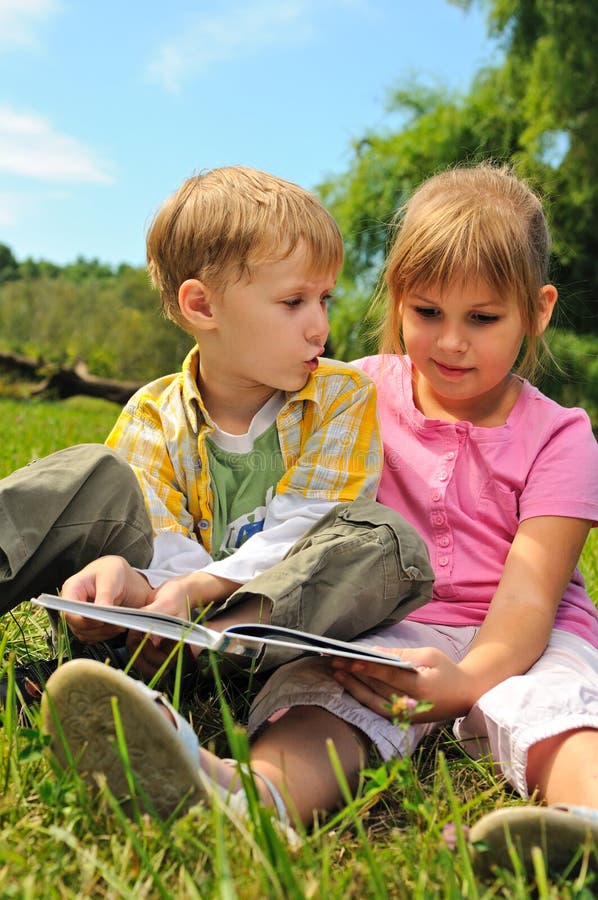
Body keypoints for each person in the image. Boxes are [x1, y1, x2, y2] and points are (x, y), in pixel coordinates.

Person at [42, 163, 598, 877]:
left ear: (539, 309)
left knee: (558, 710)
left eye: (483, 319)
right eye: (428, 313)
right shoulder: (351, 393)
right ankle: (248, 799)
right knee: (322, 701)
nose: (452, 342)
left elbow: (527, 598)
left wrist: (468, 682)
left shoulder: (561, 435)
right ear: (398, 300)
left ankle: (582, 818)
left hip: (525, 635)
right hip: (387, 625)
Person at [2, 165, 433, 704]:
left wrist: (197, 593)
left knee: (385, 540)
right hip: (146, 617)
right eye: (293, 302)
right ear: (203, 306)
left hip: (260, 630)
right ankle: (93, 670)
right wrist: (135, 582)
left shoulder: (342, 396)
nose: (319, 326)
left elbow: (307, 527)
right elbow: (154, 537)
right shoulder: (153, 414)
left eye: (325, 299)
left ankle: (116, 677)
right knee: (90, 471)